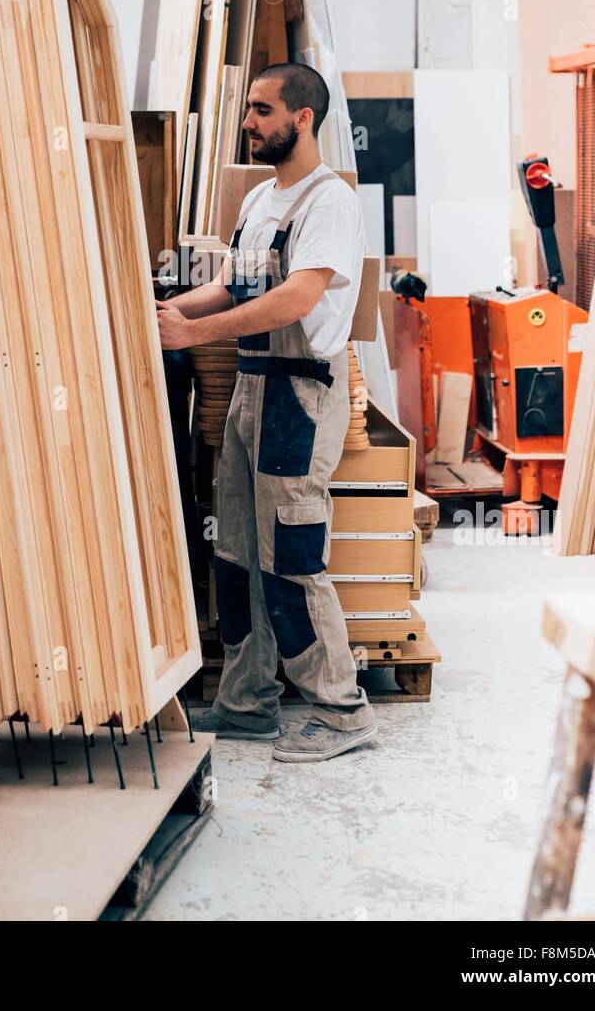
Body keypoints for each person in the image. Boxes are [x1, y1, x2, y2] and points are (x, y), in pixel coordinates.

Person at [157, 63, 377, 762]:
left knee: (289, 556)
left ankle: (341, 710)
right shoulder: (260, 201)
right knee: (237, 553)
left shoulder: (327, 203)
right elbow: (228, 288)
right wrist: (152, 311)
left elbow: (296, 299)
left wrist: (190, 337)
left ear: (302, 118)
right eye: (248, 109)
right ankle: (247, 702)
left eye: (260, 110)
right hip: (253, 386)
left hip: (299, 394)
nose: (247, 122)